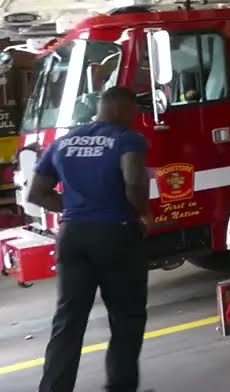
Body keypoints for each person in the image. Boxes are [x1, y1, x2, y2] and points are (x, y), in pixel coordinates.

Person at [25, 86, 151, 392]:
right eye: (134, 111)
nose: (135, 118)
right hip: (116, 233)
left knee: (68, 319)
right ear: (121, 108)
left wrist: (74, 208)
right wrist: (142, 213)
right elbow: (134, 182)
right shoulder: (126, 139)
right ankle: (120, 387)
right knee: (126, 316)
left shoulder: (63, 143)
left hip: (73, 236)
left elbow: (37, 193)